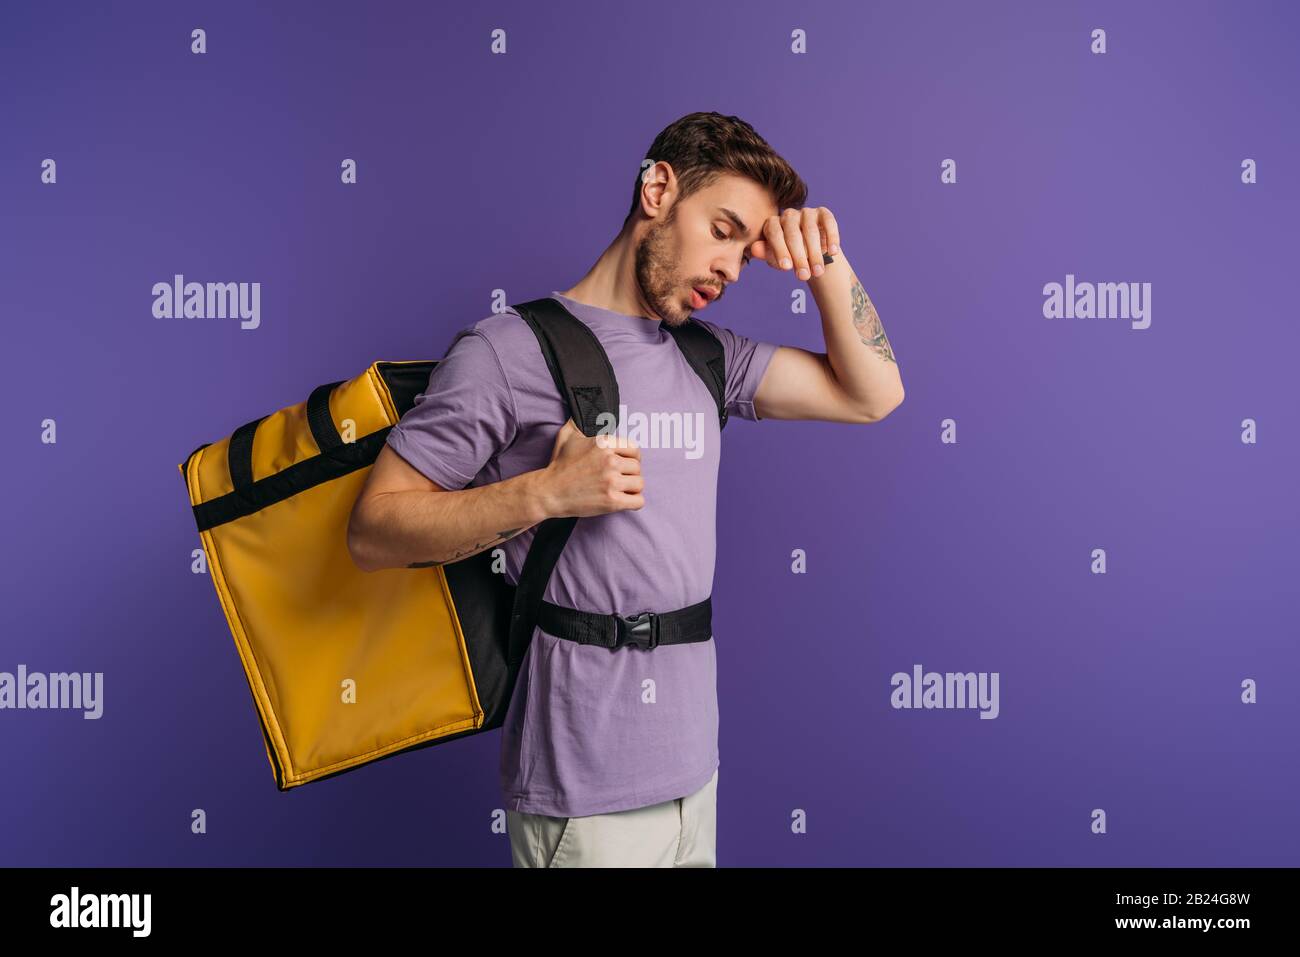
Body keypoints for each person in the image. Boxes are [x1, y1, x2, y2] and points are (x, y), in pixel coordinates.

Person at [346, 111, 905, 867]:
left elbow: (875, 395)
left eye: (748, 250)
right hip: (583, 798)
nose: (731, 269)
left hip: (693, 776)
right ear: (657, 188)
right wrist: (545, 491)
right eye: (723, 229)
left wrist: (824, 261)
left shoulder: (711, 357)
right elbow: (373, 530)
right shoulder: (507, 350)